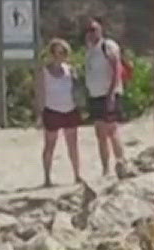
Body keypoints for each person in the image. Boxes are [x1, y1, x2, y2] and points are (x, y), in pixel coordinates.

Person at [82, 19, 131, 180]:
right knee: (100, 133)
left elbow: (116, 68)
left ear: (100, 30)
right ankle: (105, 169)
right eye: (89, 30)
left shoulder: (107, 46)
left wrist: (111, 93)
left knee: (112, 129)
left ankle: (121, 162)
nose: (91, 32)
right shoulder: (90, 50)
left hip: (108, 94)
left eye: (94, 29)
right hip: (95, 95)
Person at [33, 38, 83, 188]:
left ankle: (77, 175)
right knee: (50, 145)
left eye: (63, 53)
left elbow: (76, 90)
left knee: (73, 145)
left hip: (70, 109)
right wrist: (39, 114)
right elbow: (40, 93)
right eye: (57, 52)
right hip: (52, 110)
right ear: (51, 54)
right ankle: (47, 178)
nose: (60, 56)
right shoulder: (44, 72)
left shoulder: (70, 70)